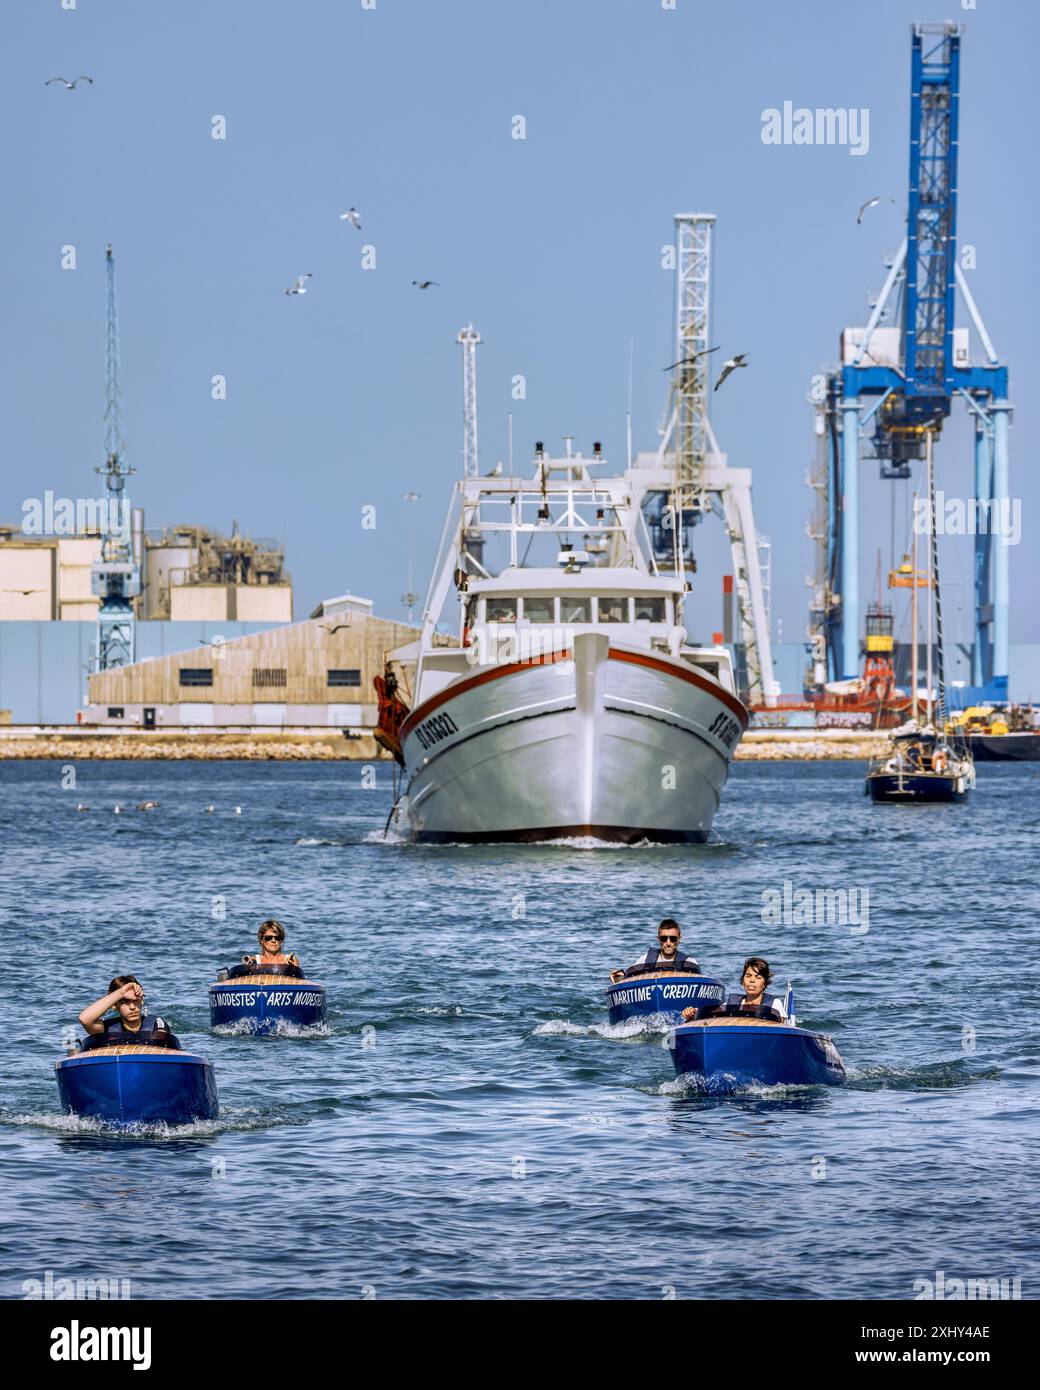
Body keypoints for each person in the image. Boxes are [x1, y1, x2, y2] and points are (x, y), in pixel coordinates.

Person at [77, 975, 179, 1049]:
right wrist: (121, 993)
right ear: (114, 1005)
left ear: (142, 1000)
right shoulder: (105, 1028)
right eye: (124, 1002)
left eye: (136, 1001)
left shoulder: (156, 1023)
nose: (132, 1007)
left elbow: (161, 1046)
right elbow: (85, 1019)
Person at [682, 956, 787, 1022]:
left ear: (765, 983)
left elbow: (782, 1029)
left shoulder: (774, 1003)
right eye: (748, 976)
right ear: (742, 981)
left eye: (758, 977)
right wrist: (693, 1013)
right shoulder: (732, 1003)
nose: (752, 980)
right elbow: (710, 1015)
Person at [609, 919, 701, 984]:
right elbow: (627, 980)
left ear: (679, 939)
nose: (668, 943)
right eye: (664, 938)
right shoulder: (645, 960)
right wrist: (618, 978)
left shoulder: (690, 963)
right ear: (658, 939)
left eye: (673, 938)